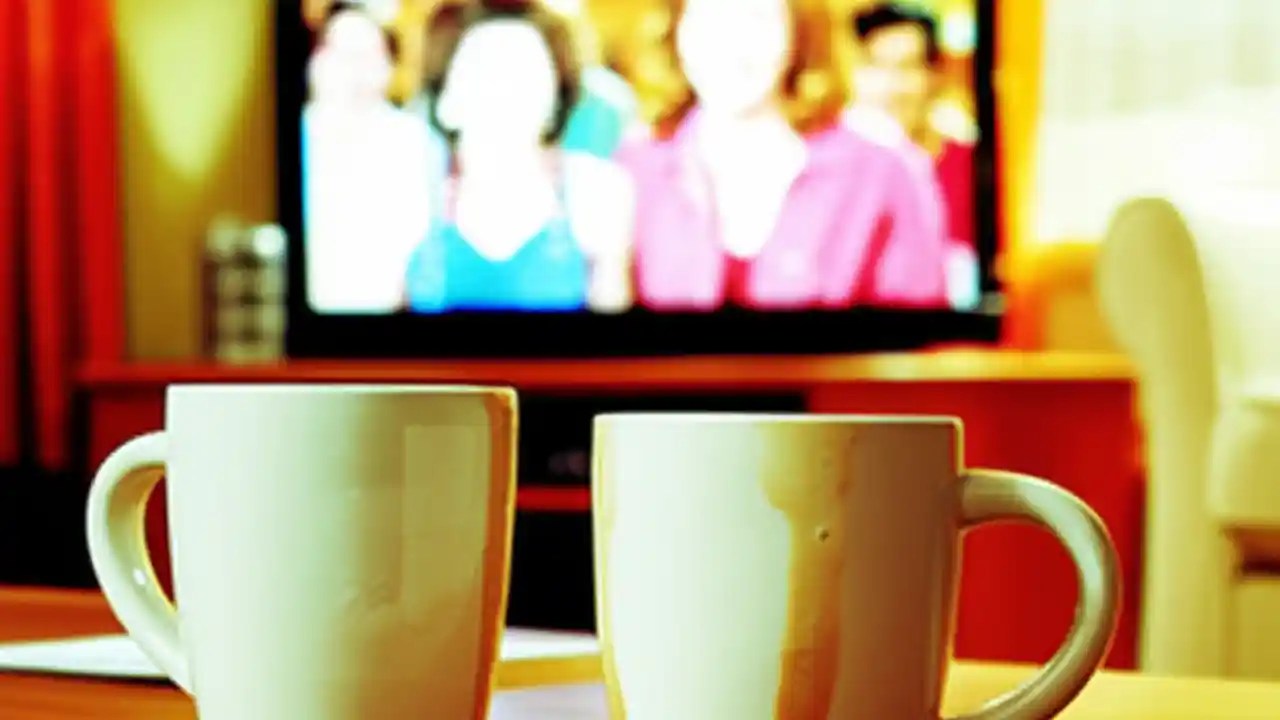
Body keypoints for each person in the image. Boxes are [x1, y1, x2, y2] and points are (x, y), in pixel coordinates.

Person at [619, 0, 948, 312]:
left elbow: (920, 350)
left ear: (799, 30)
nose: (731, 45)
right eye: (710, 17)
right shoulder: (633, 171)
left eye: (756, 19)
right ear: (676, 30)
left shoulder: (883, 172)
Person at [405, 0, 633, 313]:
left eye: (524, 68)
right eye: (485, 68)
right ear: (446, 101)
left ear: (555, 102)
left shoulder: (597, 190)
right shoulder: (410, 193)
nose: (505, 88)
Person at [303, 2, 435, 313]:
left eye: (368, 55)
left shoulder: (415, 141)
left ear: (389, 65)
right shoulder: (297, 138)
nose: (354, 70)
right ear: (316, 61)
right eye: (341, 53)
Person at [852, 2, 979, 309]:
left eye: (907, 67)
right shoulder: (835, 173)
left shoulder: (969, 166)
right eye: (876, 66)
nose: (891, 86)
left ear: (934, 76)